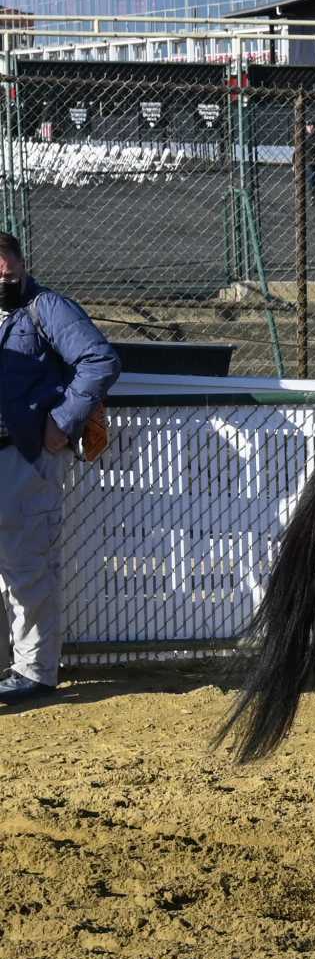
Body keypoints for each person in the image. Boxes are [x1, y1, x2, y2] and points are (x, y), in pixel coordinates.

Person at [0, 231, 120, 707]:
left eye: (11, 268)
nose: (6, 275)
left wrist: (61, 422)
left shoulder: (46, 308)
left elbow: (99, 360)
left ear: (23, 265)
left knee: (27, 568)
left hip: (24, 454)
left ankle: (34, 672)